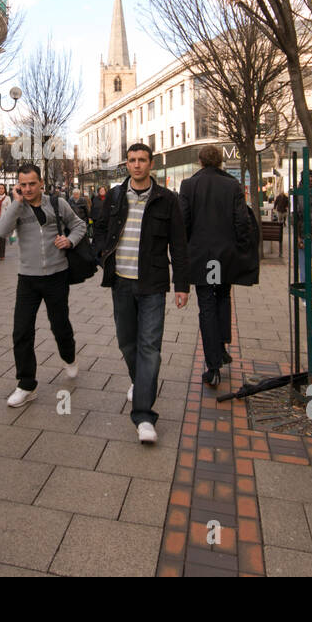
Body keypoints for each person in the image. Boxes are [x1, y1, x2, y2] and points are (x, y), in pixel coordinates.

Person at [93, 143, 190, 445]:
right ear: (127, 164)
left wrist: (183, 285)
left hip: (153, 284)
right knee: (127, 344)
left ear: (151, 164)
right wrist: (100, 254)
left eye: (142, 160)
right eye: (132, 161)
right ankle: (142, 382)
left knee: (150, 347)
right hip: (121, 282)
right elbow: (100, 228)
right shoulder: (115, 196)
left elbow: (180, 244)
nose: (136, 165)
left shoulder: (167, 200)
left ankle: (144, 416)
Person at [0, 164, 86, 408]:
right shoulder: (17, 206)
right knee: (21, 331)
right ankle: (26, 384)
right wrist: (16, 202)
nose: (27, 189)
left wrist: (70, 240)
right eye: (22, 185)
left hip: (57, 275)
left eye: (32, 184)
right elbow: (1, 231)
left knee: (60, 325)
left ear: (41, 183)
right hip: (28, 278)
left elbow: (79, 225)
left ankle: (69, 356)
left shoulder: (57, 204)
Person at [179, 145, 259, 388]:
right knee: (223, 297)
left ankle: (213, 365)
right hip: (225, 256)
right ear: (221, 161)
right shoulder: (232, 185)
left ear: (200, 161)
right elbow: (242, 221)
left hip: (202, 257)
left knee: (207, 307)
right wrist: (243, 249)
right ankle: (222, 347)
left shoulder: (189, 185)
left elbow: (184, 222)